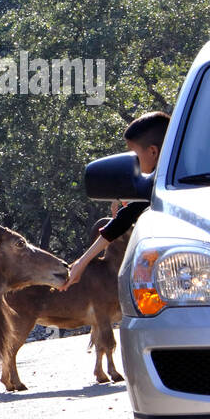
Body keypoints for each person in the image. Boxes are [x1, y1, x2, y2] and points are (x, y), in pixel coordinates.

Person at [62, 111, 169, 290]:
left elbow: (124, 219)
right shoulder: (161, 182)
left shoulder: (169, 185)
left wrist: (81, 263)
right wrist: (82, 263)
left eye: (134, 156)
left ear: (153, 152)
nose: (131, 162)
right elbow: (121, 221)